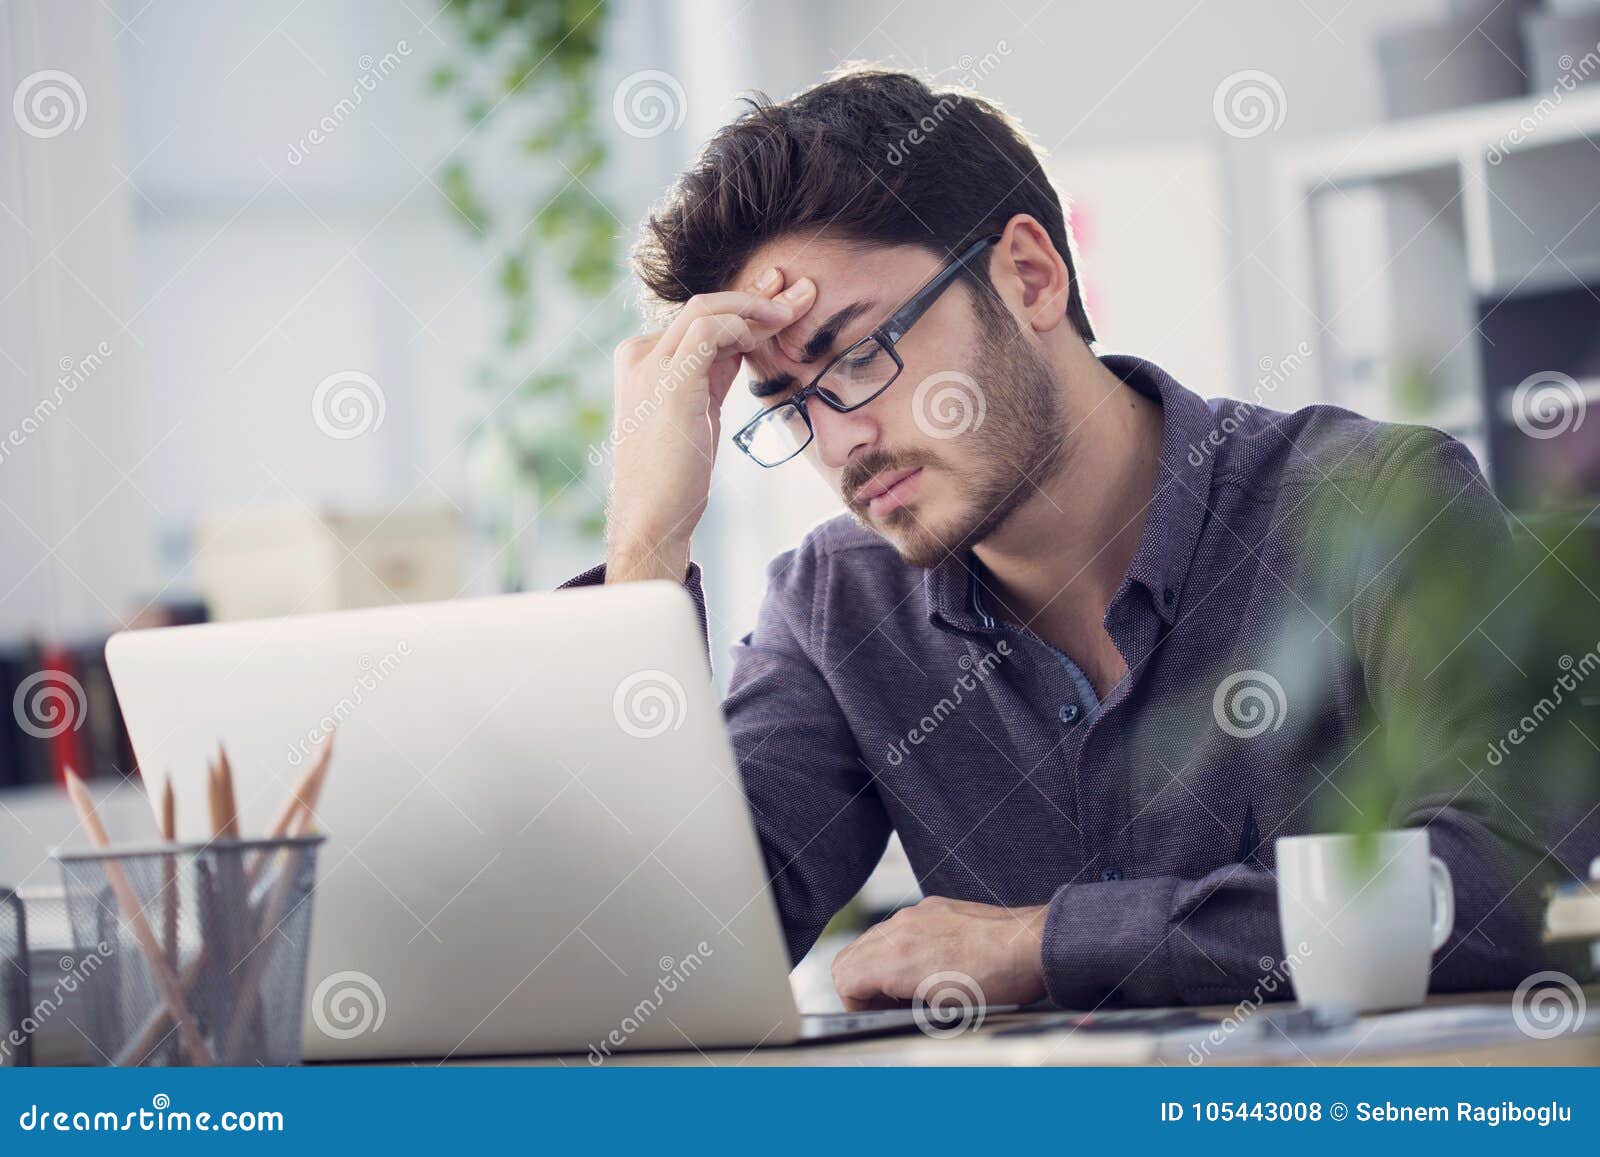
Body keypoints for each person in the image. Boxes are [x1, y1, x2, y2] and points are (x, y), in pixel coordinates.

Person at [567, 67, 1567, 1011]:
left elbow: (1490, 886)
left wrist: (1040, 942)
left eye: (862, 354)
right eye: (790, 409)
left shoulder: (1374, 501)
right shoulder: (834, 607)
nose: (842, 443)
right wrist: (646, 539)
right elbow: (653, 966)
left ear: (1030, 276)